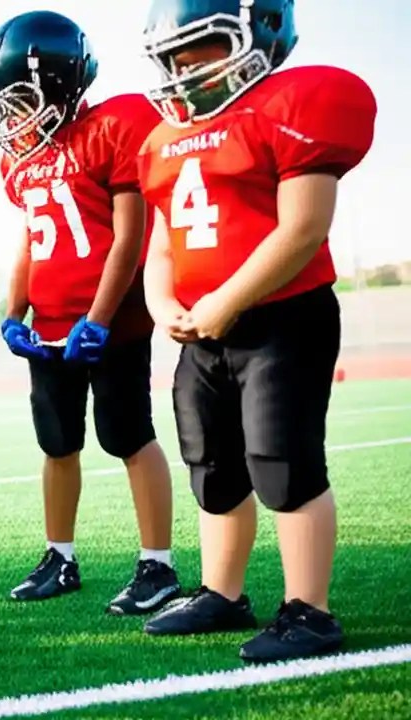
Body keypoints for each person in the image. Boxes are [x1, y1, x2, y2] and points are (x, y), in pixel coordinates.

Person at [135, 0, 376, 663]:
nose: (182, 68)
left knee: (282, 459)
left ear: (259, 32)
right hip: (200, 334)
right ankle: (222, 590)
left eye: (201, 47)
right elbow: (163, 241)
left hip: (280, 318)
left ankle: (310, 608)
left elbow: (303, 227)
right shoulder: (164, 138)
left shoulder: (294, 102)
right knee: (212, 465)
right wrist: (162, 303)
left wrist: (228, 298)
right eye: (172, 55)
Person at [0, 11, 181, 614]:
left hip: (110, 323)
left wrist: (99, 317)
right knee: (57, 443)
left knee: (129, 436)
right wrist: (15, 311)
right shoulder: (19, 155)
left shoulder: (115, 125)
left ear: (61, 84)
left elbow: (129, 235)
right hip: (51, 328)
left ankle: (158, 565)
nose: (11, 114)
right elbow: (31, 239)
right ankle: (60, 557)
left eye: (20, 98)